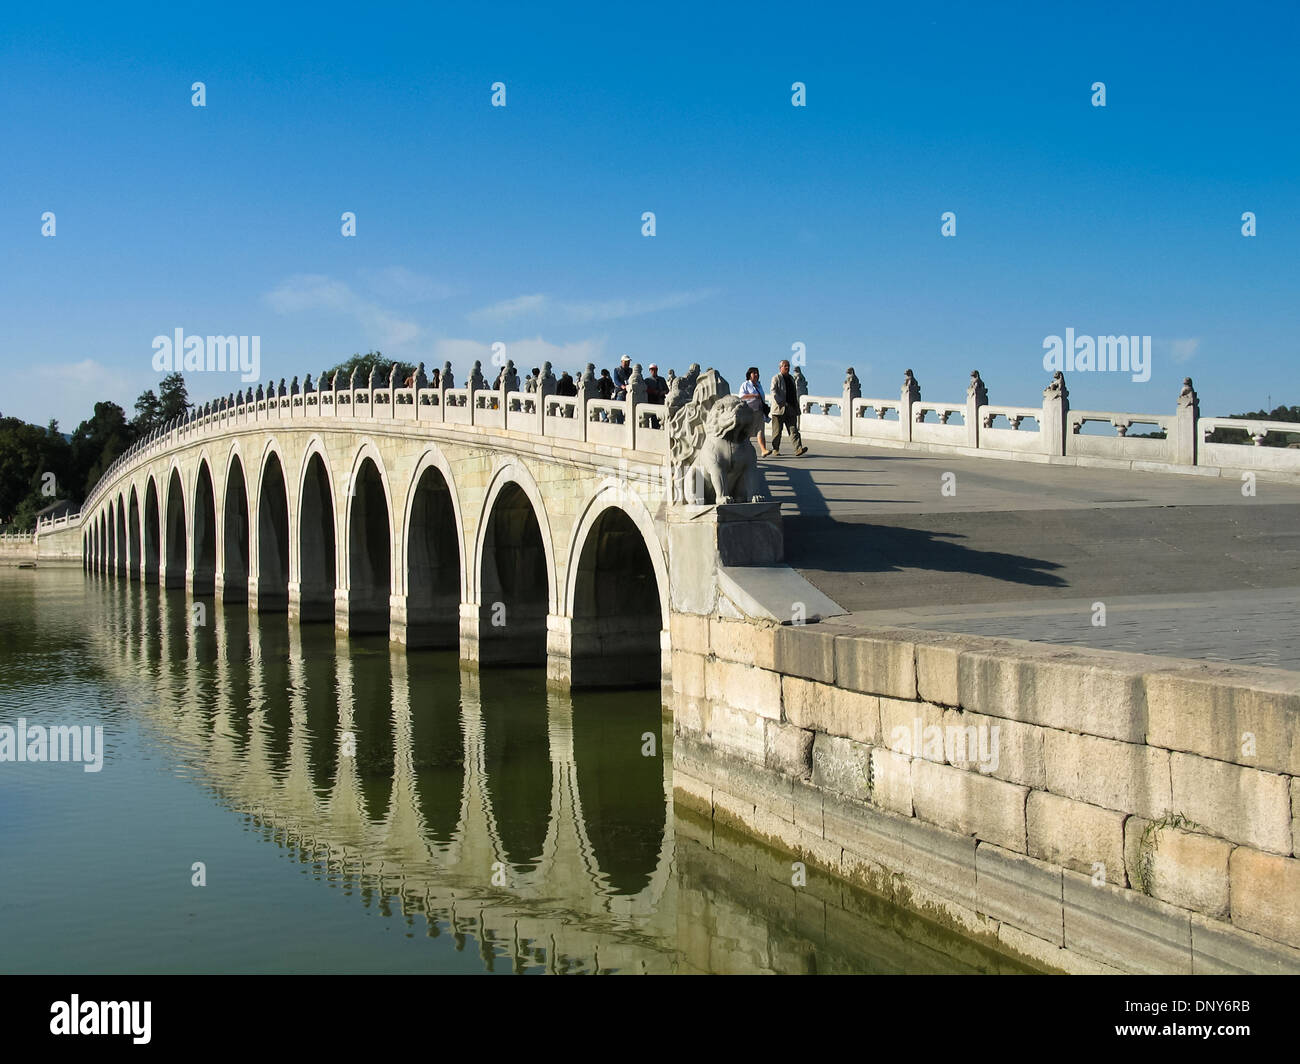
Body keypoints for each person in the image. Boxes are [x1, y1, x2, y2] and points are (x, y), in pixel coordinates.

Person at [769, 359, 807, 456]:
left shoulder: (791, 378)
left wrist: (795, 406)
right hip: (779, 409)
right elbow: (773, 392)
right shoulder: (776, 378)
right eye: (785, 366)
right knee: (777, 431)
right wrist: (781, 402)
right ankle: (775, 449)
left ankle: (798, 448)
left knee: (793, 429)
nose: (787, 368)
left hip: (791, 409)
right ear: (780, 367)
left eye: (788, 366)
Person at [740, 366, 771, 456]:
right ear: (749, 375)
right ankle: (743, 450)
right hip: (749, 411)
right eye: (754, 373)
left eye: (757, 373)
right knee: (747, 432)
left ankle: (763, 450)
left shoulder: (759, 385)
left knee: (760, 430)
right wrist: (753, 395)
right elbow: (741, 396)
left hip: (759, 411)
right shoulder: (745, 384)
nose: (756, 375)